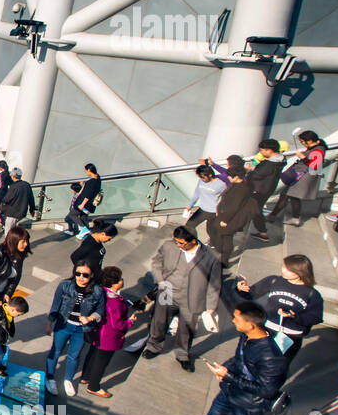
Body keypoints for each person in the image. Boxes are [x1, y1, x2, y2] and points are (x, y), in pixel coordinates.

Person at [185, 302, 287, 415]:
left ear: (251, 324)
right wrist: (224, 370)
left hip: (251, 406)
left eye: (237, 318)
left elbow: (266, 390)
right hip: (229, 394)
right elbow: (239, 360)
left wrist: (228, 376)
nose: (232, 321)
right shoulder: (246, 336)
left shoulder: (271, 356)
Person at [142, 226, 222, 372]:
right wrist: (160, 280)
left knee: (187, 328)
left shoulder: (212, 256)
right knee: (159, 321)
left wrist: (211, 305)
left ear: (193, 241)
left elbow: (214, 282)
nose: (178, 245)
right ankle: (154, 346)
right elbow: (156, 262)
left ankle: (182, 354)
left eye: (182, 243)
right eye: (176, 242)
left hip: (193, 297)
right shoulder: (169, 246)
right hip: (167, 291)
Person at [236, 254, 323, 373]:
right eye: (283, 266)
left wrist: (295, 316)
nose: (283, 270)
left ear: (299, 273)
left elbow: (315, 318)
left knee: (275, 369)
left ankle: (268, 390)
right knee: (250, 360)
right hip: (265, 330)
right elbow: (252, 293)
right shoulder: (274, 280)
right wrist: (242, 289)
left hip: (290, 337)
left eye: (287, 268)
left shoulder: (312, 295)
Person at [45, 263, 104, 396]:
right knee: (55, 351)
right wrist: (50, 322)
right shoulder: (65, 285)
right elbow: (56, 305)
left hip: (81, 329)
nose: (81, 277)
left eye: (85, 275)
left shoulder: (97, 291)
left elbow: (101, 310)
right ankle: (49, 378)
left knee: (74, 355)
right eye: (78, 274)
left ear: (92, 275)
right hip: (64, 324)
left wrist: (90, 318)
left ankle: (68, 379)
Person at [77, 266, 134, 398]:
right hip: (108, 337)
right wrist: (130, 322)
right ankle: (94, 386)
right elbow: (118, 324)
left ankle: (85, 377)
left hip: (97, 333)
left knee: (92, 355)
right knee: (101, 363)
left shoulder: (100, 293)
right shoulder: (115, 302)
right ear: (114, 283)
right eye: (120, 279)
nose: (122, 281)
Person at [270, 130, 327, 226]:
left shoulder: (318, 150)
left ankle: (275, 216)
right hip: (301, 176)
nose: (302, 144)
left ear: (309, 140)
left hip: (303, 177)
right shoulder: (315, 148)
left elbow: (316, 166)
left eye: (302, 142)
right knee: (290, 196)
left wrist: (303, 157)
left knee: (289, 195)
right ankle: (277, 216)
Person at [208, 167, 258, 270]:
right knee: (223, 236)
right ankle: (222, 256)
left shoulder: (241, 189)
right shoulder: (241, 185)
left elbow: (234, 206)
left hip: (230, 218)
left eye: (230, 176)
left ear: (236, 177)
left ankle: (224, 260)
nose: (228, 178)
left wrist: (225, 220)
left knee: (227, 238)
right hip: (228, 216)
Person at [245, 138, 285, 241]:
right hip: (268, 188)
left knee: (256, 210)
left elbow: (256, 175)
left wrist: (250, 170)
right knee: (255, 209)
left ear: (269, 150)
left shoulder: (269, 164)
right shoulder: (280, 159)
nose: (261, 152)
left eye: (262, 150)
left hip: (259, 190)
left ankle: (262, 233)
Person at [184, 163, 227, 240]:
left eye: (203, 177)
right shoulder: (201, 181)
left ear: (210, 175)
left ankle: (215, 245)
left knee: (211, 231)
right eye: (200, 177)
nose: (201, 179)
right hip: (203, 210)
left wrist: (221, 211)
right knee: (189, 225)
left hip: (214, 212)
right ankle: (193, 242)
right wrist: (189, 206)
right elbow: (197, 193)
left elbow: (225, 198)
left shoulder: (221, 184)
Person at [64, 163, 101, 236]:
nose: (86, 172)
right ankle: (85, 235)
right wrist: (84, 184)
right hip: (90, 205)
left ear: (89, 170)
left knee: (72, 215)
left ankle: (84, 229)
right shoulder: (98, 180)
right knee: (83, 217)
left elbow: (88, 195)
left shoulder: (91, 182)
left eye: (86, 171)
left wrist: (82, 205)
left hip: (83, 204)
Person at [0, 167, 36, 234]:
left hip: (12, 213)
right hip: (22, 212)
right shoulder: (26, 185)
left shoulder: (13, 186)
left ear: (12, 176)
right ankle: (15, 243)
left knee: (8, 232)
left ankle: (9, 243)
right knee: (15, 231)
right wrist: (32, 209)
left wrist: (1, 203)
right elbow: (31, 198)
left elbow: (7, 199)